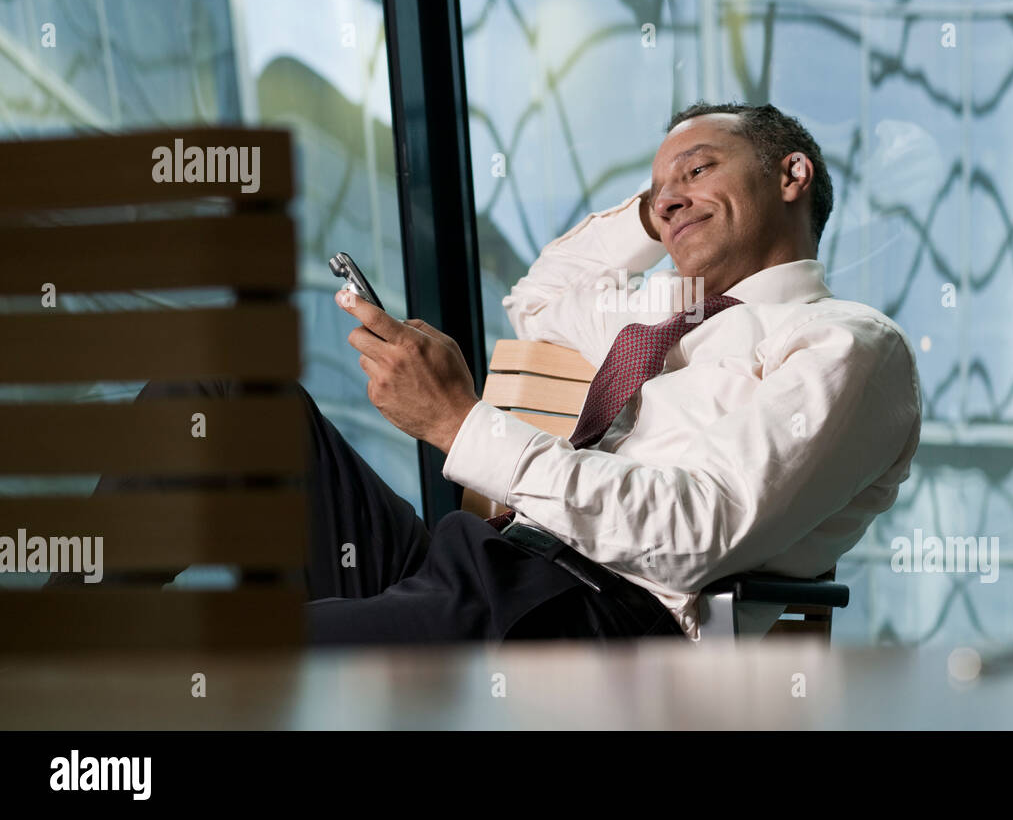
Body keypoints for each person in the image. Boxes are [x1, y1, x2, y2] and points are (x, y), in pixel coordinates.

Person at [55, 102, 923, 645]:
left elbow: (698, 530)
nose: (668, 197)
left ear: (791, 175)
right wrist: (663, 209)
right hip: (473, 563)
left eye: (700, 169)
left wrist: (458, 424)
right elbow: (543, 299)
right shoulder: (667, 313)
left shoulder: (847, 346)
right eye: (657, 189)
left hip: (585, 617)